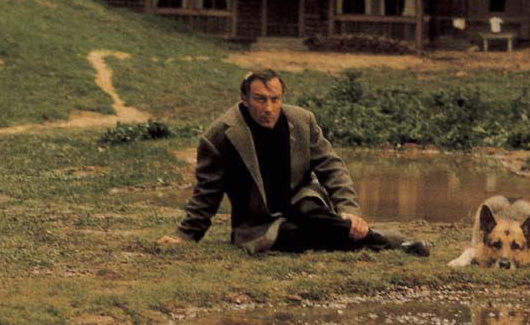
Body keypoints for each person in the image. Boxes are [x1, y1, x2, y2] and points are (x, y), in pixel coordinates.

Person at [157, 69, 429, 256]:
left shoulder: (301, 120)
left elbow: (331, 167)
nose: (268, 108)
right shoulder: (219, 136)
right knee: (295, 235)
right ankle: (389, 241)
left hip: (302, 200)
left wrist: (349, 209)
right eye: (260, 99)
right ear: (244, 99)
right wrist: (185, 235)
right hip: (260, 221)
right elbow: (207, 193)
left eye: (275, 99)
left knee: (310, 213)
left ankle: (366, 233)